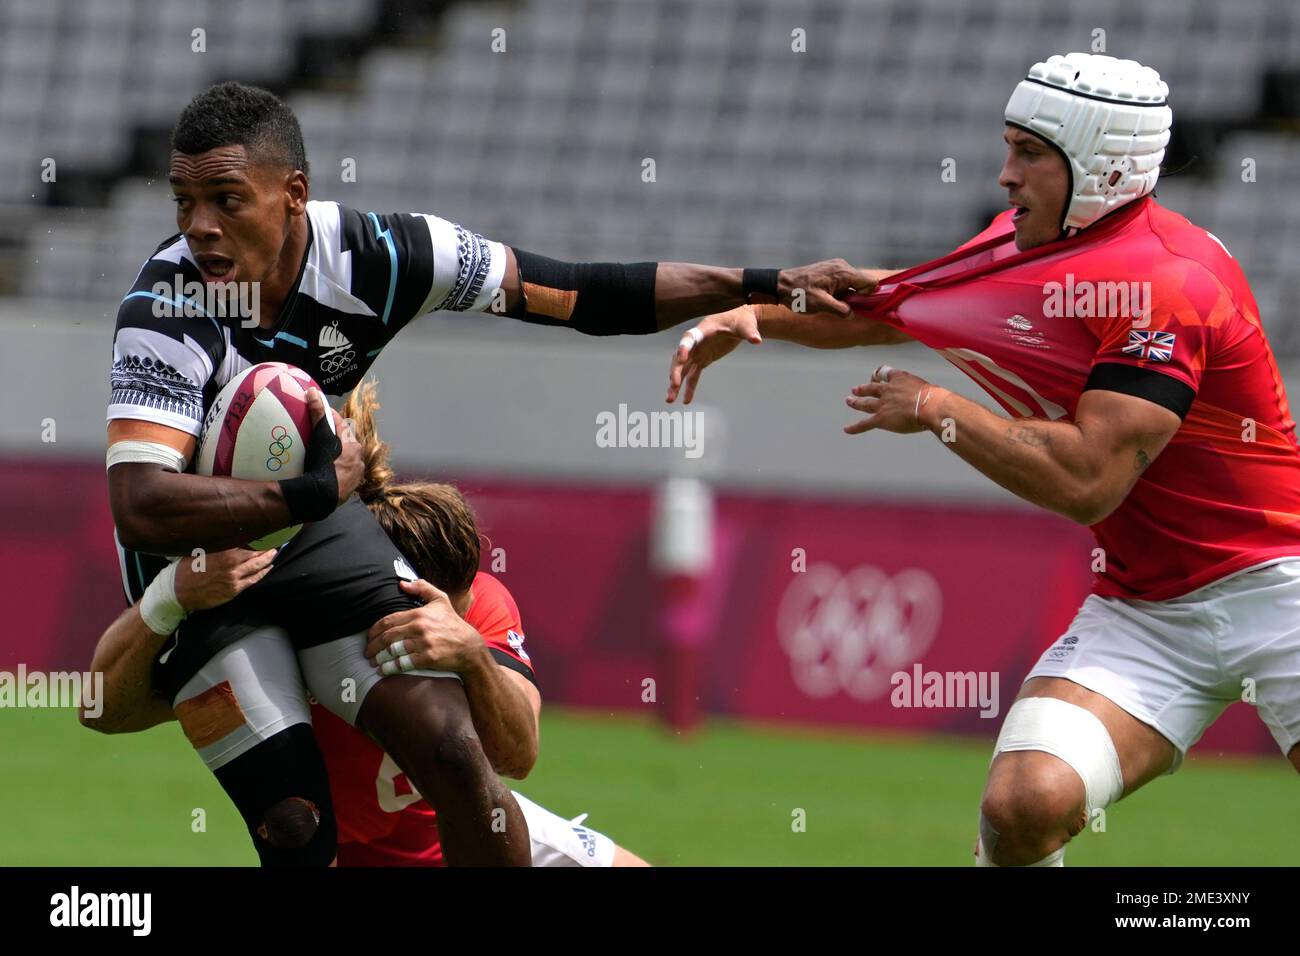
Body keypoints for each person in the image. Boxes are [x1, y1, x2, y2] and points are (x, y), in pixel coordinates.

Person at [106, 81, 871, 864]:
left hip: (309, 533)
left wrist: (763, 282)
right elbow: (141, 506)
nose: (199, 227)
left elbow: (579, 292)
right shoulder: (166, 306)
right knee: (299, 828)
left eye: (226, 199)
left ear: (293, 194)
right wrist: (317, 489)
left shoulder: (386, 256)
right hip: (199, 567)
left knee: (457, 758)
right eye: (183, 202)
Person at [667, 52, 1300, 866]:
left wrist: (937, 408)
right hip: (1147, 609)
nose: (1005, 177)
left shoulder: (1167, 284)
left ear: (1102, 164)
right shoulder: (1031, 241)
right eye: (1009, 148)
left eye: (1030, 154)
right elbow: (901, 304)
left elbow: (1087, 482)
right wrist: (748, 315)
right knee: (1022, 808)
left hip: (1277, 585)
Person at [85, 381, 649, 867]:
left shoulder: (475, 602)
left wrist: (472, 656)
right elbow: (102, 709)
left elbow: (518, 757)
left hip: (475, 836)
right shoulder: (281, 631)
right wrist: (168, 597)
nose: (436, 620)